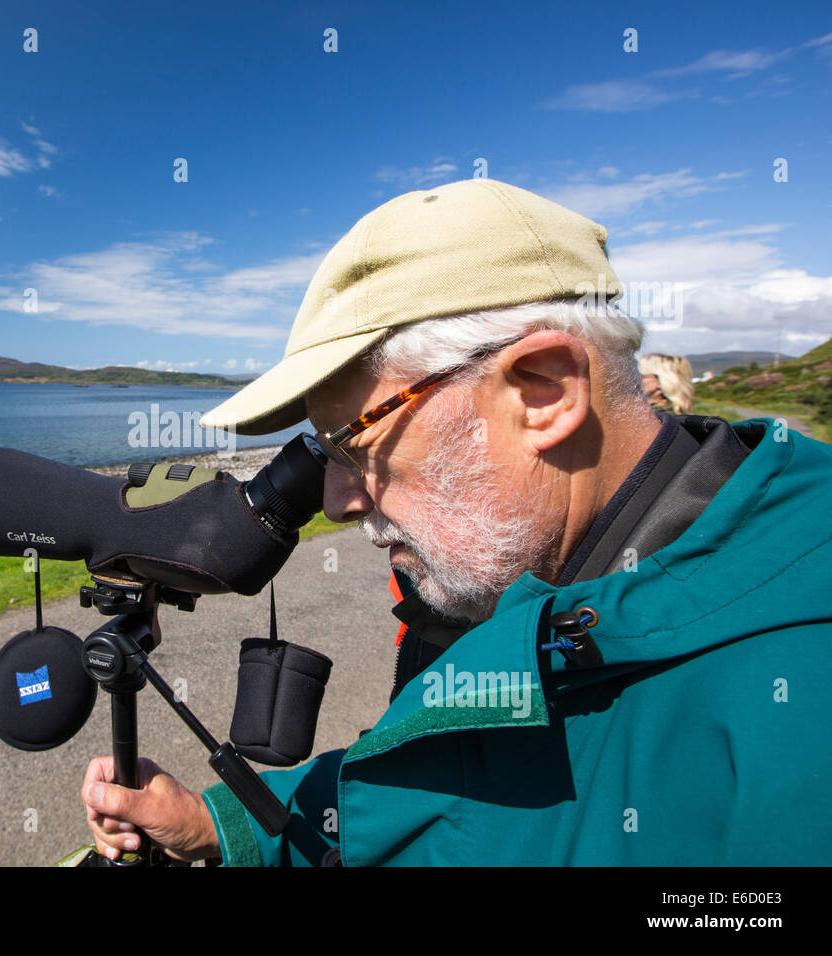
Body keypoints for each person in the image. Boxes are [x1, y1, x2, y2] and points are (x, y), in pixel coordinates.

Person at [78, 178, 832, 865]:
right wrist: (228, 829)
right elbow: (451, 796)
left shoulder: (799, 703)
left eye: (353, 443)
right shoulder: (547, 579)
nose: (337, 499)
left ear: (542, 391)